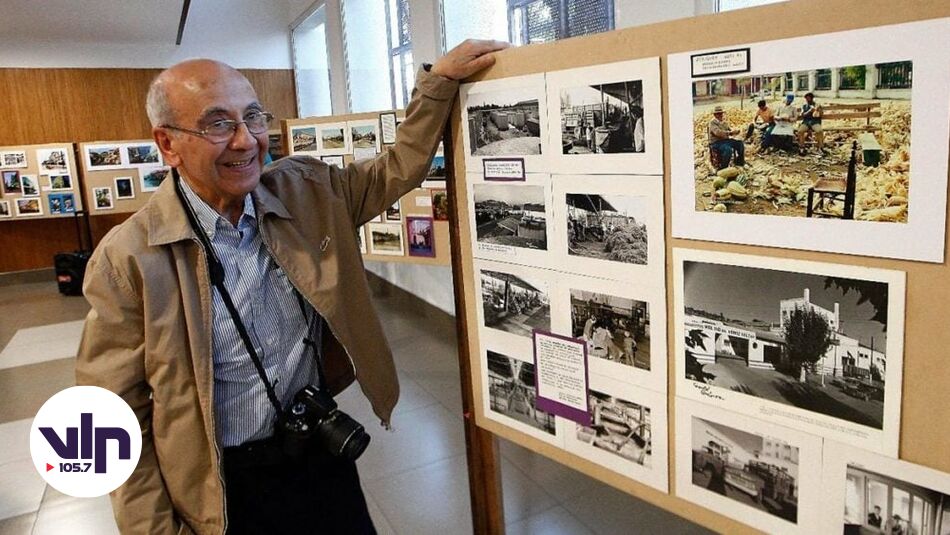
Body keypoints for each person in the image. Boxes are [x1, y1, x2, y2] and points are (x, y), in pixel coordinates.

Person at [75, 40, 508, 535]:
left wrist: (438, 86)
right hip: (221, 486)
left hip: (316, 447)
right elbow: (106, 419)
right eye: (218, 124)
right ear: (168, 143)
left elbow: (395, 168)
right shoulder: (128, 258)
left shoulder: (306, 192)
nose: (245, 140)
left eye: (254, 118)